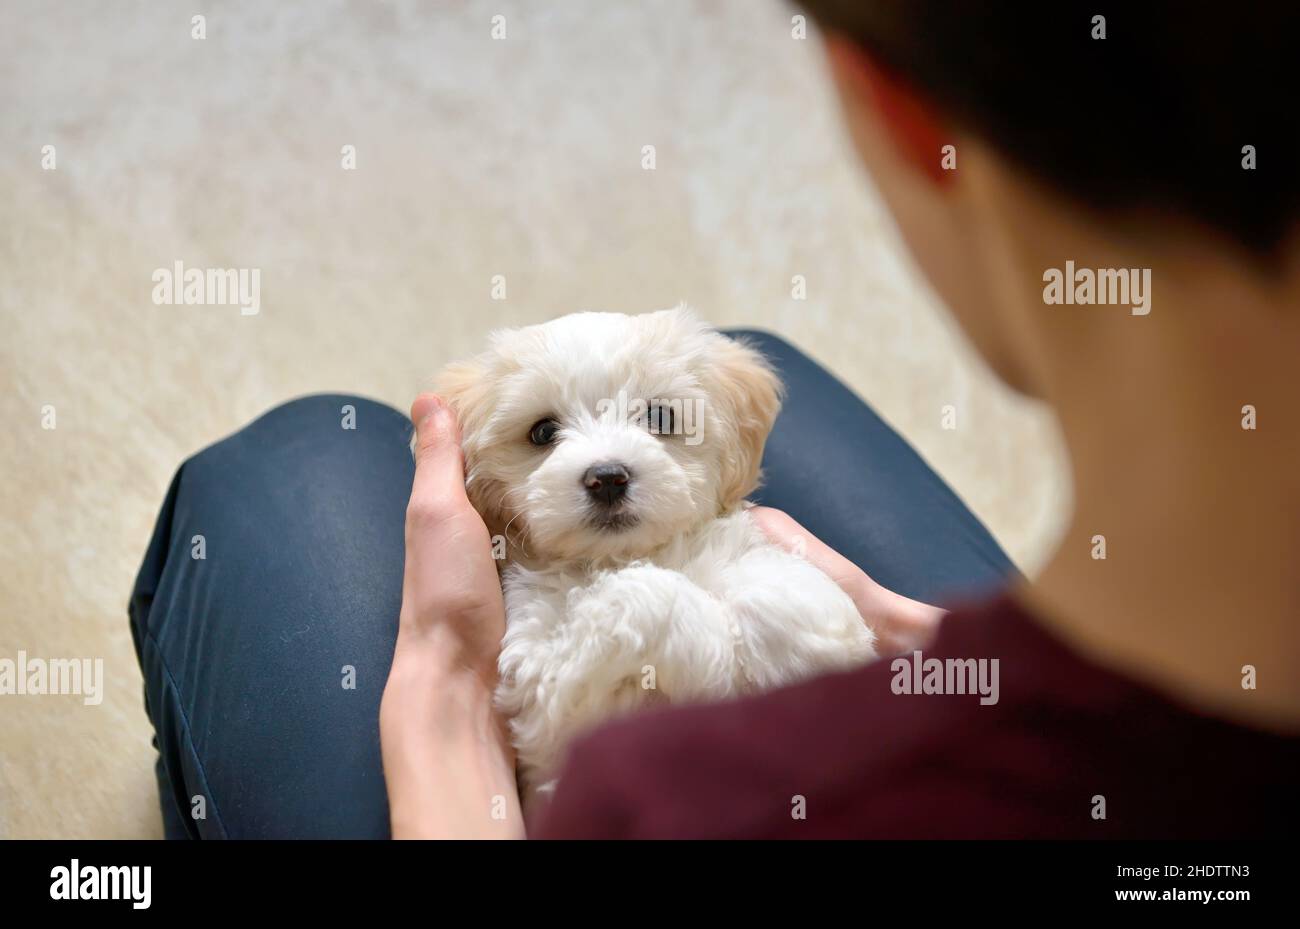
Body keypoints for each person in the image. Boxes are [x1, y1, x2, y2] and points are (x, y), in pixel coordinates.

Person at [130, 3, 1298, 839]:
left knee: (298, 453)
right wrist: (916, 636)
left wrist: (440, 680)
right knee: (764, 352)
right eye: (543, 435)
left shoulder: (665, 799)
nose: (594, 461)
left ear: (893, 104)